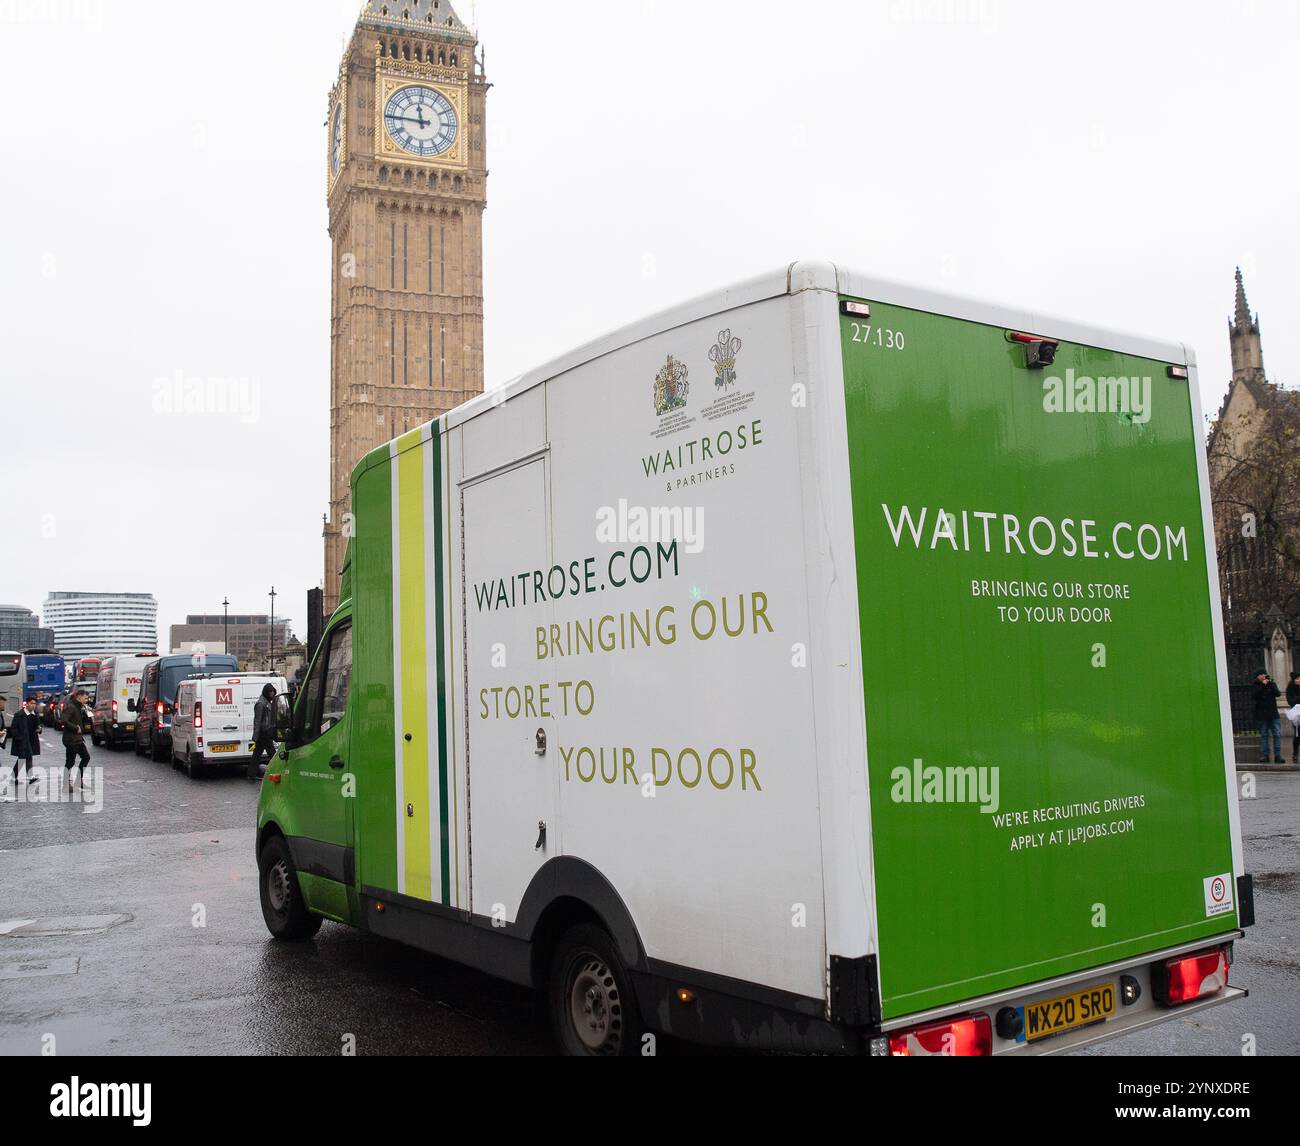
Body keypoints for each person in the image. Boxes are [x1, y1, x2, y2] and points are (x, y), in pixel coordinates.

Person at [1252, 671, 1284, 764]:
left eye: (1264, 674)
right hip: (1262, 714)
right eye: (1261, 674)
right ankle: (1265, 755)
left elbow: (1278, 694)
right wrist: (1262, 685)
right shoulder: (1255, 685)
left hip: (1273, 713)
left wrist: (1270, 683)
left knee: (1277, 734)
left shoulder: (1271, 684)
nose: (1263, 676)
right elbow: (1254, 696)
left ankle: (1277, 755)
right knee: (1264, 735)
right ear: (1258, 676)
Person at [63, 689, 91, 789]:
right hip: (71, 739)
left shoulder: (79, 707)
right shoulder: (71, 707)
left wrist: (87, 713)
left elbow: (81, 721)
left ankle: (79, 780)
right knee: (70, 761)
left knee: (86, 757)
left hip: (78, 739)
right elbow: (64, 720)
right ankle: (66, 784)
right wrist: (76, 728)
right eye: (85, 698)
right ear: (79, 697)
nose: (87, 700)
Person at [249, 683, 278, 781]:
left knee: (257, 754)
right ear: (266, 692)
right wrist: (256, 736)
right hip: (263, 732)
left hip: (265, 731)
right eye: (270, 692)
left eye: (273, 692)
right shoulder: (261, 703)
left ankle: (251, 774)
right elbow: (257, 720)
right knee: (272, 753)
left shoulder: (266, 702)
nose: (272, 694)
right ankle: (278, 770)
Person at [8, 698, 41, 784]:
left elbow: (38, 726)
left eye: (35, 703)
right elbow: (13, 728)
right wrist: (19, 738)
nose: (33, 705)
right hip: (22, 741)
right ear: (26, 704)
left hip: (31, 740)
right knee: (27, 757)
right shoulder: (19, 714)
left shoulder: (35, 714)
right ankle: (30, 777)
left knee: (23, 758)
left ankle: (14, 777)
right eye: (31, 703)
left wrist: (39, 729)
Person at [1287, 671, 1300, 765]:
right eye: (1297, 678)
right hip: (1296, 714)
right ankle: (1295, 754)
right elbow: (1290, 700)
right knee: (1297, 735)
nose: (1299, 680)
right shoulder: (1290, 688)